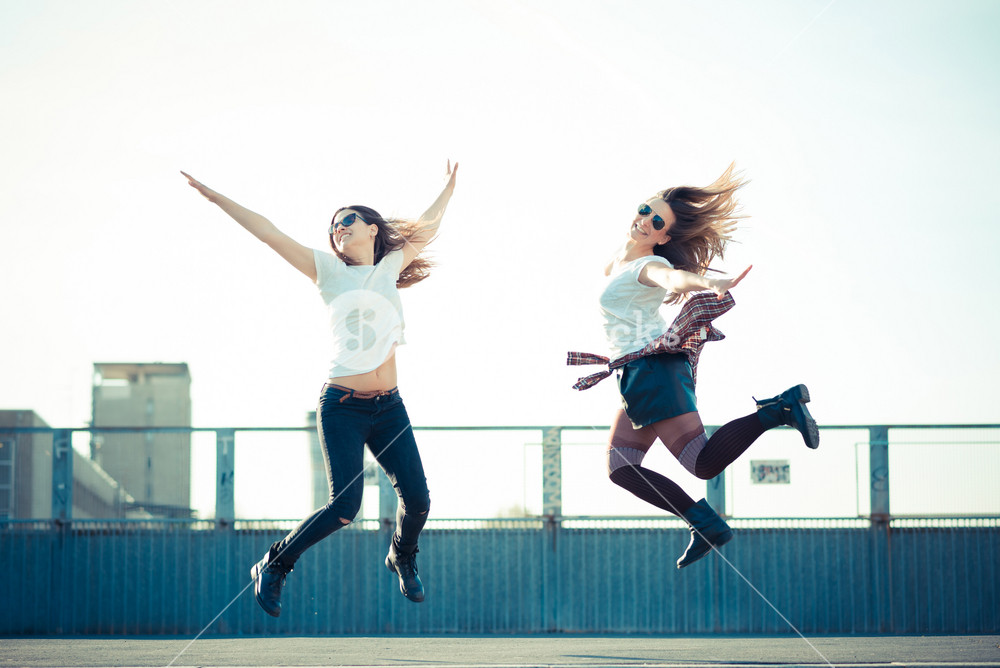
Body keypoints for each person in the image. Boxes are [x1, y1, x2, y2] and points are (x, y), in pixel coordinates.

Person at [182, 162, 458, 615]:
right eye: (332, 227)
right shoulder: (327, 271)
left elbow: (428, 226)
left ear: (371, 229)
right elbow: (269, 233)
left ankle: (401, 555)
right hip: (342, 408)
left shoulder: (390, 266)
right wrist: (217, 198)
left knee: (419, 500)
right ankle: (274, 563)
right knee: (345, 506)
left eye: (346, 221)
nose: (337, 230)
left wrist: (448, 188)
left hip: (389, 407)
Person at [568, 163, 818, 568]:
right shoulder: (619, 259)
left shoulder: (650, 266)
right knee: (622, 466)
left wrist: (708, 283)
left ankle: (779, 411)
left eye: (657, 222)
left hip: (652, 371)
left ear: (665, 236)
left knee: (698, 462)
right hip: (640, 373)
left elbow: (673, 281)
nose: (645, 221)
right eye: (645, 210)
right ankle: (704, 522)